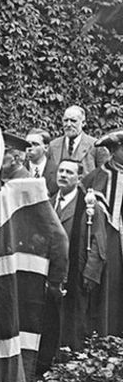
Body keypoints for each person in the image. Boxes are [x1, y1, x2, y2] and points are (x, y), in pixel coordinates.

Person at [54, 159, 112, 349]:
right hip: (52, 272)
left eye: (69, 172)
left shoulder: (89, 207)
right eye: (61, 171)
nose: (63, 175)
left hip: (76, 272)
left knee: (74, 320)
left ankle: (71, 356)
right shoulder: (49, 202)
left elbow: (99, 243)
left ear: (79, 178)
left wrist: (90, 274)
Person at [80, 130, 123, 338]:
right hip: (108, 237)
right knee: (110, 284)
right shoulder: (99, 175)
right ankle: (108, 335)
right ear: (114, 150)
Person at [48, 105, 110, 180]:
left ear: (83, 123)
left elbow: (104, 177)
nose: (68, 124)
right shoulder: (53, 145)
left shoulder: (96, 146)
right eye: (66, 120)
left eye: (73, 121)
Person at [26, 128, 56, 195]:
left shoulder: (56, 171)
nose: (30, 148)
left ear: (46, 148)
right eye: (27, 144)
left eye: (35, 144)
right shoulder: (20, 168)